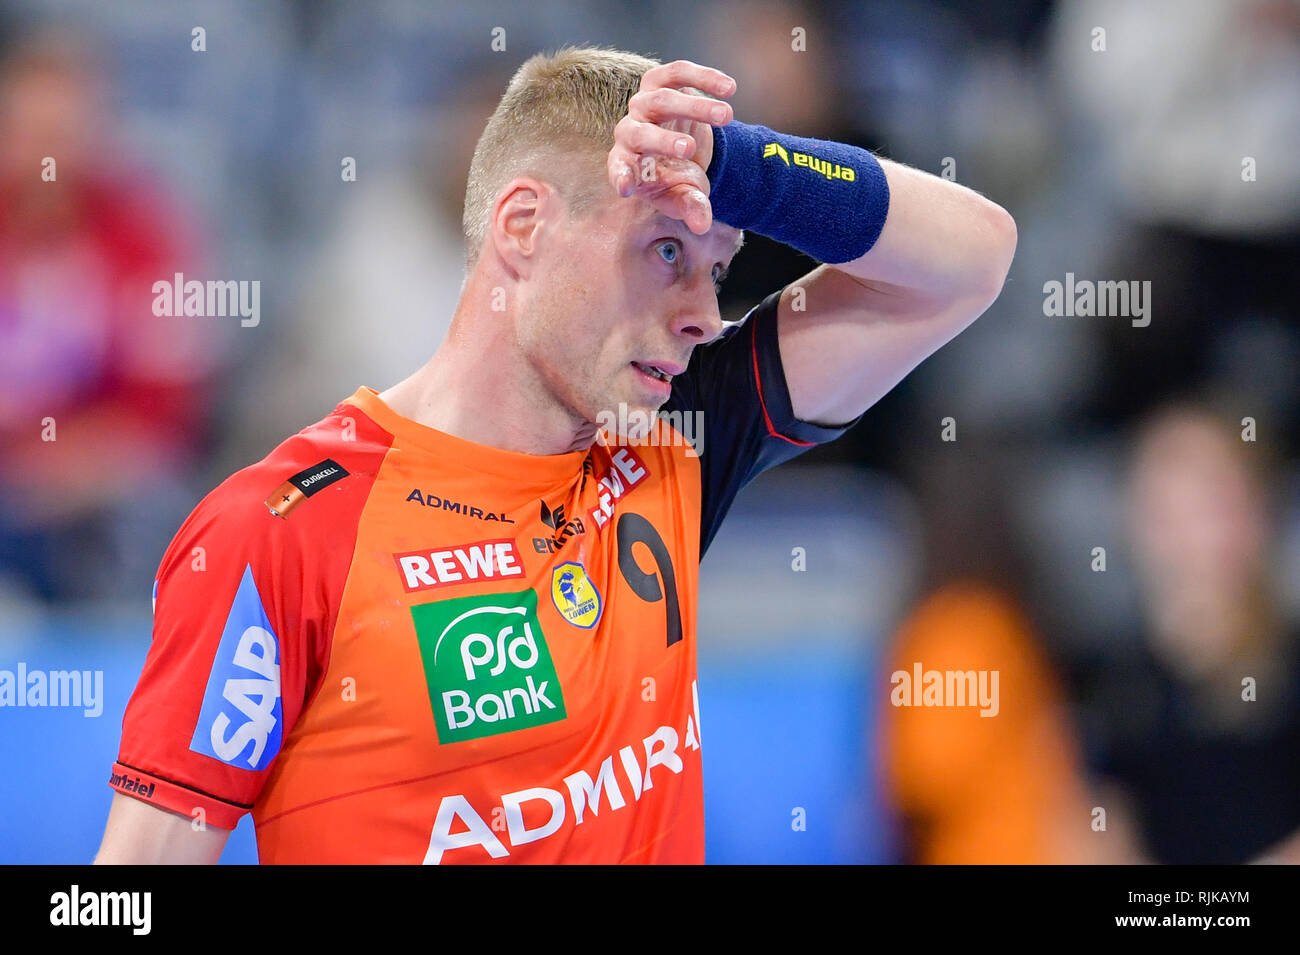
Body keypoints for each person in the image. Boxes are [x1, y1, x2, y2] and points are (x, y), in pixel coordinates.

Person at [94, 47, 1016, 864]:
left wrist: (736, 169)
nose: (703, 311)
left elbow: (974, 256)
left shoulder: (670, 438)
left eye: (718, 267)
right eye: (666, 250)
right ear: (522, 227)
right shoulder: (284, 527)